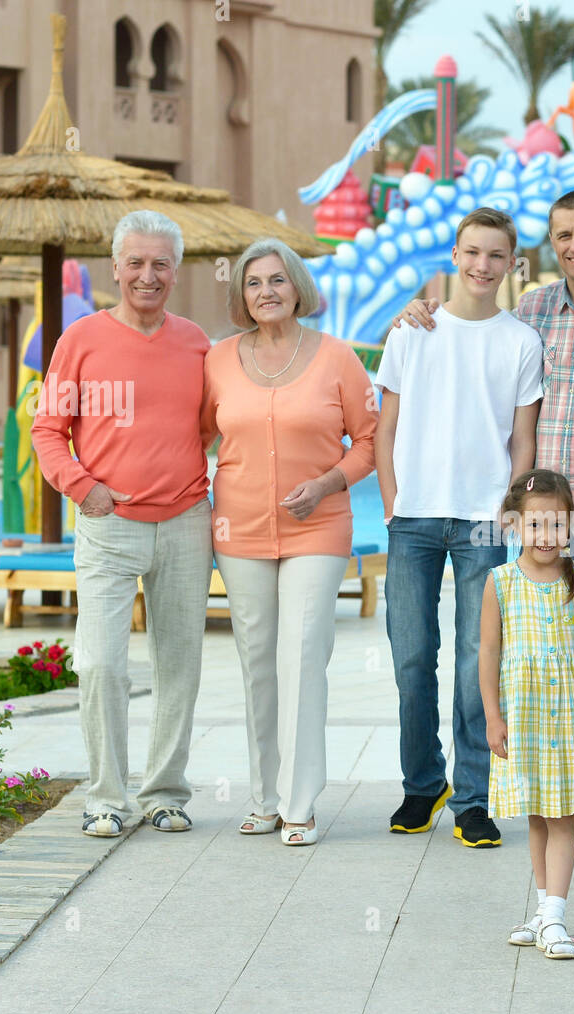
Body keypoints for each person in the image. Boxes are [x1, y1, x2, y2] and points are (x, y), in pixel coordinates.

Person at [399, 190, 574, 845]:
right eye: (563, 236)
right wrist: (421, 308)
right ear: (549, 245)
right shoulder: (532, 310)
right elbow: (473, 336)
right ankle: (533, 785)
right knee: (537, 658)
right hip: (543, 526)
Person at [32, 210, 213, 838]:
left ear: (176, 271)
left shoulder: (196, 342)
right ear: (115, 268)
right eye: (135, 262)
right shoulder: (79, 339)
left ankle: (165, 792)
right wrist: (84, 488)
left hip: (188, 521)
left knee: (179, 665)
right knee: (101, 663)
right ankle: (106, 796)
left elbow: (212, 425)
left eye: (160, 263)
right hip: (108, 524)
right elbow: (48, 430)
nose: (147, 274)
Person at [376, 206, 543, 849]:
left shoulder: (520, 341)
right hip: (413, 519)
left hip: (482, 523)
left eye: (495, 255)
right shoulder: (412, 332)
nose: (482, 265)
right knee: (412, 656)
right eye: (472, 252)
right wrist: (392, 504)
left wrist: (510, 507)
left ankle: (474, 798)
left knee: (481, 664)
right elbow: (385, 427)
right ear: (454, 254)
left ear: (511, 264)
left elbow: (522, 438)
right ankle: (424, 785)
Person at [201, 239, 376, 846]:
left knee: (303, 657)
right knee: (258, 664)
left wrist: (328, 483)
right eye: (253, 284)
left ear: (298, 287)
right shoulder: (218, 360)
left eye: (277, 280)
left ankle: (300, 804)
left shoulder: (336, 358)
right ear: (241, 296)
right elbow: (198, 436)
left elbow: (371, 442)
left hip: (319, 529)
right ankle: (264, 797)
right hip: (239, 530)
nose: (266, 292)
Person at [479, 470, 574, 959]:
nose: (547, 536)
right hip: (524, 714)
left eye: (557, 525)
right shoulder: (499, 583)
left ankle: (556, 917)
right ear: (515, 524)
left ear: (570, 526)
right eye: (536, 525)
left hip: (570, 716)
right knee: (538, 816)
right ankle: (544, 912)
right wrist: (492, 718)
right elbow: (488, 656)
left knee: (564, 817)